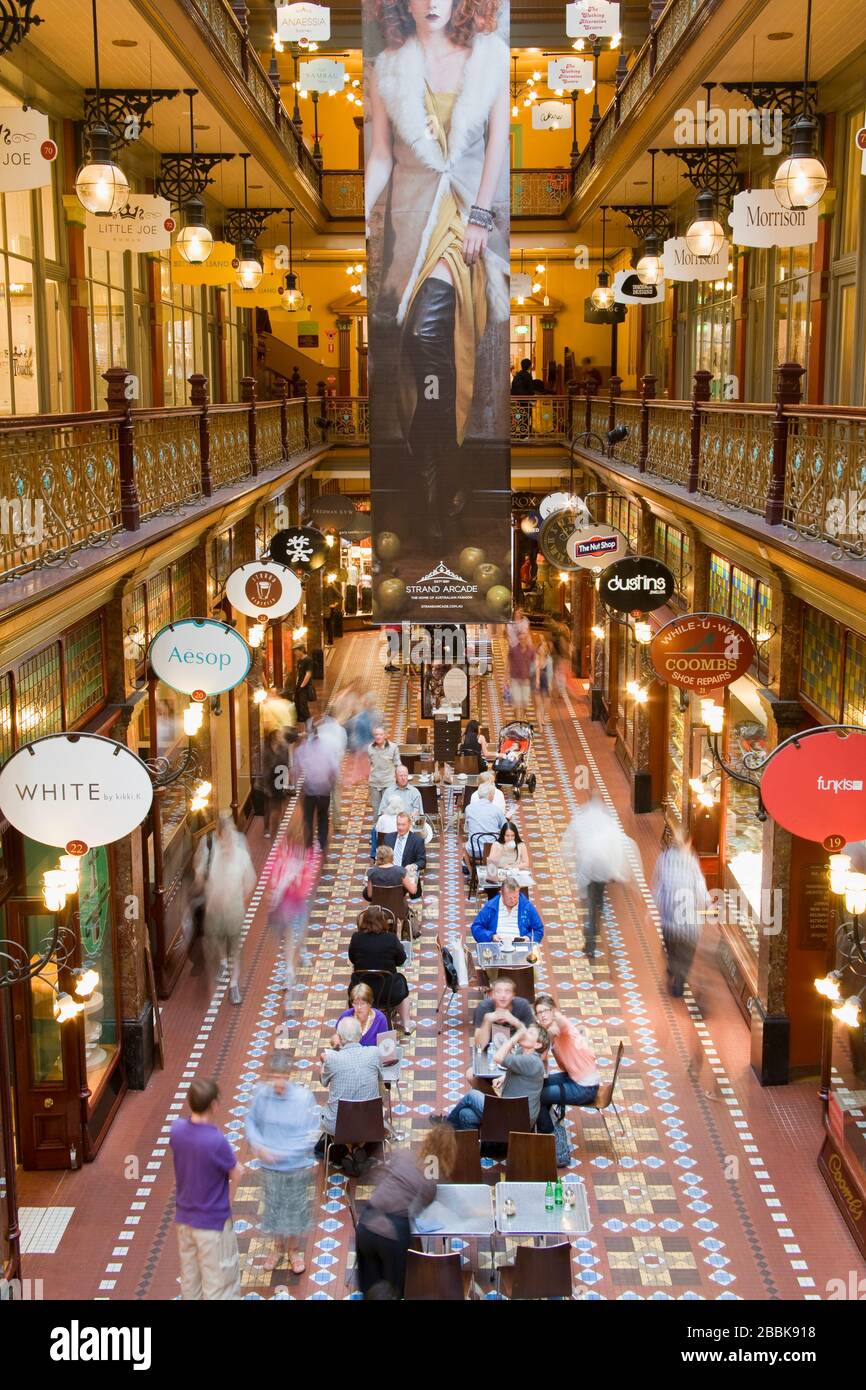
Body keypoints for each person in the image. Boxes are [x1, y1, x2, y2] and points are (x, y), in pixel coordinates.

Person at [365, 0, 510, 541]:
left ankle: (438, 480)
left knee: (429, 334)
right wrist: (365, 216)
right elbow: (382, 154)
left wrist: (480, 213)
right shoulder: (390, 67)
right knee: (415, 353)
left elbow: (499, 139)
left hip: (462, 215)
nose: (430, 2)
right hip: (411, 213)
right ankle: (439, 476)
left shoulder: (489, 57)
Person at [355, 1125, 457, 1297]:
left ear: (427, 1140)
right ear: (448, 1153)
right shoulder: (432, 1178)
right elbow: (420, 1209)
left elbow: (379, 1176)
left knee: (370, 1292)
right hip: (391, 1236)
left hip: (366, 1224)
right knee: (396, 1292)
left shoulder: (403, 1153)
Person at [244, 1052, 320, 1274]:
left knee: (295, 1212)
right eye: (273, 1076)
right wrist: (258, 1145)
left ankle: (294, 1251)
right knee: (274, 1210)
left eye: (282, 1076)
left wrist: (284, 1153)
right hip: (270, 1168)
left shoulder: (303, 1098)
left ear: (289, 1075)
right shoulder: (260, 1095)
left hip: (295, 1166)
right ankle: (277, 1248)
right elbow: (251, 1121)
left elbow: (311, 1132)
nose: (278, 1082)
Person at [170, 1079, 244, 1300]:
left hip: (184, 1220)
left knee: (190, 1282)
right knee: (219, 1285)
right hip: (212, 1223)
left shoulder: (177, 1130)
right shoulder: (215, 1140)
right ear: (214, 1105)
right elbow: (236, 1172)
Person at [560, 793, 634, 960]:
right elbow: (616, 844)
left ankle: (590, 941)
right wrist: (617, 870)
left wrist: (567, 861)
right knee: (596, 901)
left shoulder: (583, 815)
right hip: (601, 868)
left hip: (587, 866)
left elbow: (569, 838)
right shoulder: (607, 819)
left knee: (589, 903)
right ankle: (593, 929)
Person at [195, 811, 255, 1005]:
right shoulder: (209, 846)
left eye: (230, 836)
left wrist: (238, 897)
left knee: (235, 949)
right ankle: (222, 962)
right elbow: (199, 873)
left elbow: (250, 880)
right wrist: (206, 887)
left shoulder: (241, 852)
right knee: (220, 940)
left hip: (234, 910)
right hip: (214, 909)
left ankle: (234, 984)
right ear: (218, 835)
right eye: (224, 837)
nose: (227, 842)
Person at [445, 1021, 549, 1131]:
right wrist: (504, 1077)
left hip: (518, 1121)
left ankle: (444, 1128)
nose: (525, 1033)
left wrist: (515, 1037)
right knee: (465, 1115)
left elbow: (498, 1057)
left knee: (472, 1095)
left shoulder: (532, 1061)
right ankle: (475, 1146)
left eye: (530, 1033)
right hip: (509, 1112)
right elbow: (522, 1071)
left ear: (537, 1044)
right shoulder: (522, 1052)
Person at [534, 994, 600, 1135]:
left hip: (585, 1087)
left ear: (554, 1010)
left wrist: (555, 1020)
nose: (543, 1015)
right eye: (539, 1013)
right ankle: (548, 1121)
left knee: (537, 1096)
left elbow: (562, 1022)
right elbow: (542, 1058)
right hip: (573, 1077)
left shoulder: (562, 1027)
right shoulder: (550, 1032)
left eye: (546, 1011)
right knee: (538, 1084)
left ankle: (552, 1137)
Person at [653, 835, 710, 996]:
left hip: (668, 921)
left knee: (671, 948)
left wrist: (656, 910)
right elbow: (700, 888)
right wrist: (707, 904)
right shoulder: (692, 862)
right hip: (689, 923)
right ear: (688, 843)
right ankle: (679, 982)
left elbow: (658, 887)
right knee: (687, 953)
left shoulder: (663, 859)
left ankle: (672, 967)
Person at [317, 1015, 384, 1154]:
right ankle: (358, 1149)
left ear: (340, 1038)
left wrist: (324, 1061)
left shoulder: (332, 1058)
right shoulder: (375, 1052)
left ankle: (349, 1150)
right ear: (360, 1035)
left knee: (324, 1111)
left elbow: (323, 1081)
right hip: (371, 1123)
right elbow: (380, 1078)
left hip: (339, 1126)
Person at [268, 837, 321, 992]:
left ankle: (303, 950)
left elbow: (305, 886)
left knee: (302, 930)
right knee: (289, 937)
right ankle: (289, 971)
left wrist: (296, 880)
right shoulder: (284, 858)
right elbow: (274, 876)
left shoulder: (306, 862)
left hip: (298, 904)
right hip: (285, 906)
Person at [347, 913, 413, 1033]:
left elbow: (352, 959)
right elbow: (401, 959)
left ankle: (353, 1026)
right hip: (387, 991)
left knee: (352, 984)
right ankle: (406, 1023)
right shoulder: (391, 938)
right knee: (402, 983)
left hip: (362, 991)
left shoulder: (356, 937)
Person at [294, 721, 340, 853]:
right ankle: (322, 842)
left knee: (308, 818)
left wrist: (298, 786)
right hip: (324, 790)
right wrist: (331, 783)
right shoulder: (327, 747)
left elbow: (297, 770)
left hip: (309, 791)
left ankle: (308, 844)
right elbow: (334, 768)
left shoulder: (302, 750)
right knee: (323, 817)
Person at [469, 875, 544, 947]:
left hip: (520, 947)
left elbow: (539, 930)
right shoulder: (491, 907)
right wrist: (491, 936)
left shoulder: (527, 907)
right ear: (501, 893)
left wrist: (528, 938)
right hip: (497, 946)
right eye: (509, 898)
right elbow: (476, 927)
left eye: (515, 897)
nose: (513, 900)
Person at [472, 976, 535, 1044]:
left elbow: (532, 1039)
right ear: (492, 995)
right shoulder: (483, 1007)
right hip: (490, 1049)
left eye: (507, 992)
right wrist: (487, 1021)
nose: (503, 995)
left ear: (513, 995)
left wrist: (515, 1022)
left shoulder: (523, 1005)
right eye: (498, 991)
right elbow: (479, 1045)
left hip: (517, 1047)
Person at [334, 981, 391, 1047]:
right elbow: (336, 1040)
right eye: (355, 1003)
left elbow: (384, 1047)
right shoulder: (345, 1016)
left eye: (362, 1003)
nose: (359, 1007)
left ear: (370, 1003)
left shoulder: (380, 1019)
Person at [262, 728, 292, 839]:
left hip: (280, 780)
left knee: (279, 805)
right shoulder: (265, 749)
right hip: (268, 781)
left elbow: (287, 765)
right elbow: (264, 769)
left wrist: (287, 781)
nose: (281, 737)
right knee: (268, 807)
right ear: (274, 738)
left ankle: (277, 826)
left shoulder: (284, 748)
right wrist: (266, 785)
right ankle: (266, 828)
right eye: (279, 735)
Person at [484, 820, 529, 890]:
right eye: (507, 836)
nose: (510, 838)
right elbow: (491, 864)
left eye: (512, 836)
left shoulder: (521, 845)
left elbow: (526, 863)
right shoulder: (496, 845)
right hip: (500, 877)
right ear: (503, 835)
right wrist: (502, 849)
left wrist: (512, 867)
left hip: (514, 876)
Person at [367, 726, 401, 817]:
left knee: (388, 810)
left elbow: (398, 764)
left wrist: (400, 779)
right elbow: (368, 764)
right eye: (376, 735)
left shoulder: (393, 747)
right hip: (374, 783)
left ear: (385, 735)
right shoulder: (370, 748)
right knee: (376, 811)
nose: (378, 737)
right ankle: (377, 830)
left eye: (381, 734)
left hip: (388, 783)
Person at [507, 627, 537, 722]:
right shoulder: (513, 650)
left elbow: (534, 665)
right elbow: (508, 663)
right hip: (515, 679)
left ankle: (523, 716)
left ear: (527, 638)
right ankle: (516, 719)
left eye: (524, 638)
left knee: (525, 702)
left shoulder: (531, 651)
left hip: (526, 680)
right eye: (520, 639)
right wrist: (505, 678)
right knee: (516, 701)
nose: (522, 640)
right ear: (518, 639)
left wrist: (535, 678)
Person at [292, 645, 316, 729]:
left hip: (304, 687)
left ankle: (311, 728)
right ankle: (308, 728)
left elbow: (308, 674)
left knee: (303, 708)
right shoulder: (299, 661)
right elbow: (299, 675)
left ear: (301, 650)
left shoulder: (308, 660)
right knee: (299, 707)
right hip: (299, 686)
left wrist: (302, 687)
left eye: (296, 650)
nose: (295, 653)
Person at [534, 634, 553, 732]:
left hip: (545, 682)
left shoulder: (549, 659)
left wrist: (550, 684)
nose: (543, 649)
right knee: (539, 705)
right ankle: (540, 725)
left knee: (546, 703)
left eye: (544, 647)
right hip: (537, 683)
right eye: (541, 647)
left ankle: (543, 717)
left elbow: (550, 672)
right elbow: (533, 671)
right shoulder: (535, 658)